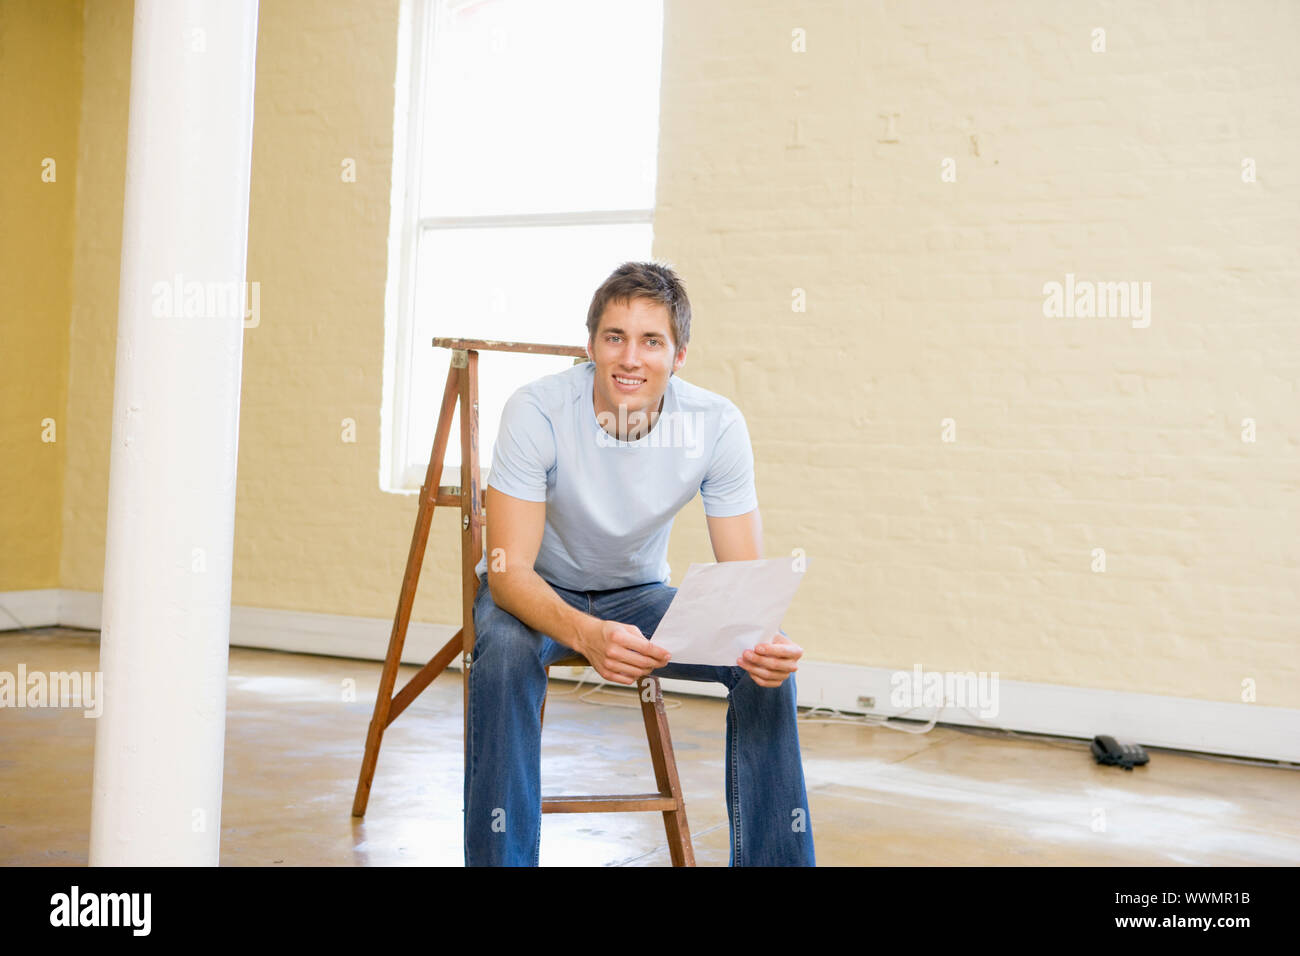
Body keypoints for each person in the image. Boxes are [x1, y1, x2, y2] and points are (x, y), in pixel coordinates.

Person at [464, 261, 815, 866]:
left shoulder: (715, 424)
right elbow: (508, 573)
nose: (631, 358)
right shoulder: (537, 411)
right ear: (591, 345)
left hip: (638, 592)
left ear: (678, 355)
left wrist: (760, 637)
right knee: (502, 658)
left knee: (759, 668)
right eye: (614, 337)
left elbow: (742, 589)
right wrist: (585, 634)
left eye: (652, 341)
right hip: (535, 591)